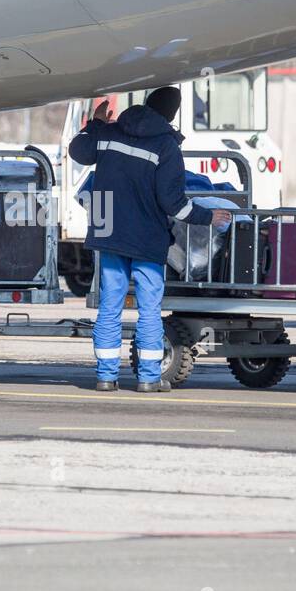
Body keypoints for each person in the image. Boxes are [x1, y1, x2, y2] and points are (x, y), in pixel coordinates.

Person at [69, 87, 229, 392]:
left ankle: (105, 377)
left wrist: (96, 123)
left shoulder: (109, 133)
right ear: (172, 115)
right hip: (147, 238)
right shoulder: (166, 146)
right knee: (149, 311)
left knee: (110, 308)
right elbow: (174, 204)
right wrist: (209, 217)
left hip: (110, 232)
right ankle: (148, 378)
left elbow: (78, 151)